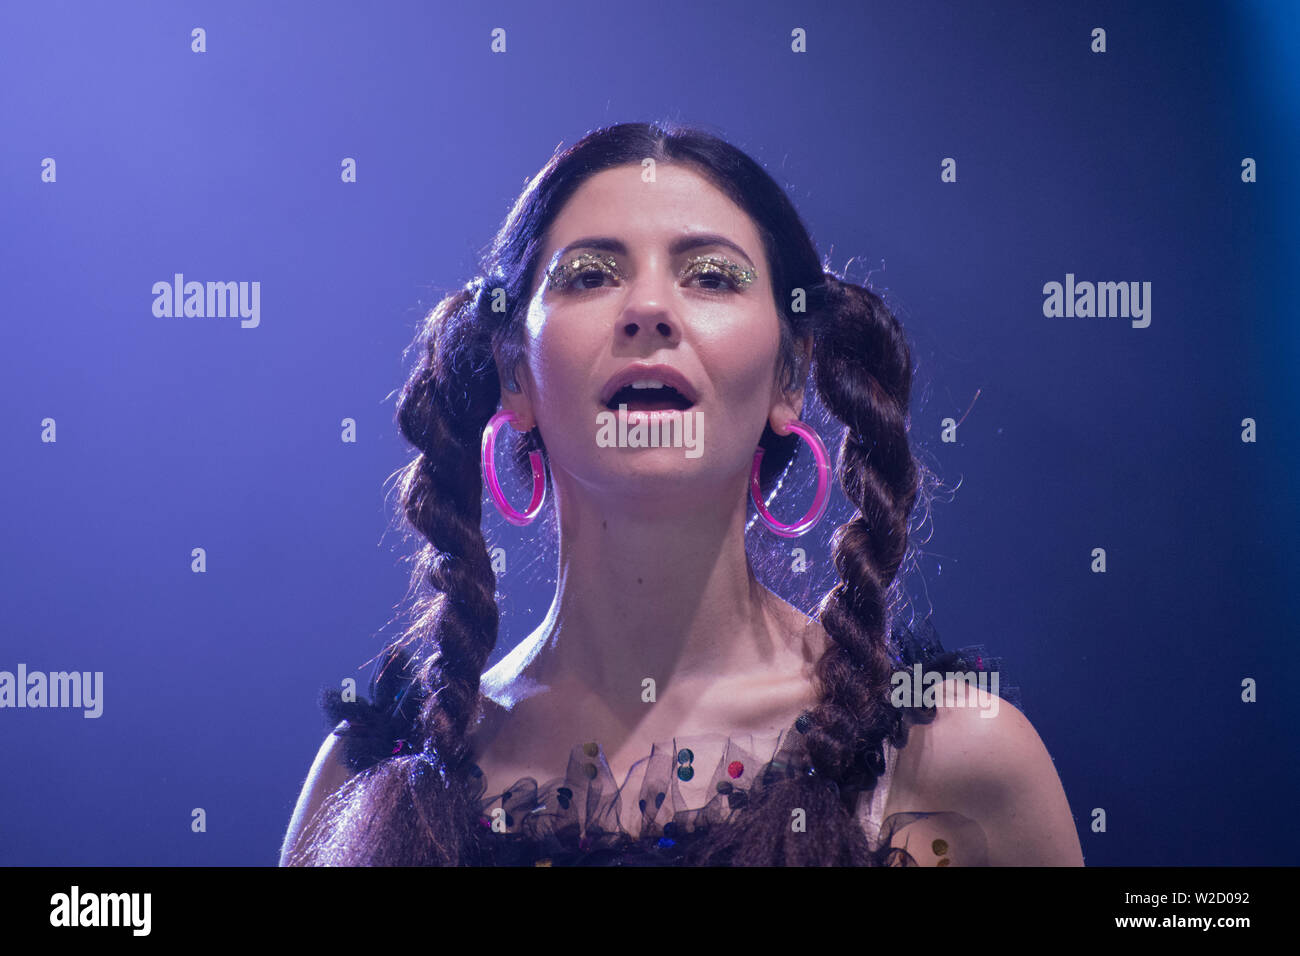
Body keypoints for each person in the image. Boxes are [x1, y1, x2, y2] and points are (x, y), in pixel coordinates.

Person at [280, 121, 1084, 866]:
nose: (650, 310)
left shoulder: (961, 765)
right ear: (512, 373)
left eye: (711, 276)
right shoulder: (370, 779)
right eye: (591, 274)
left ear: (791, 375)